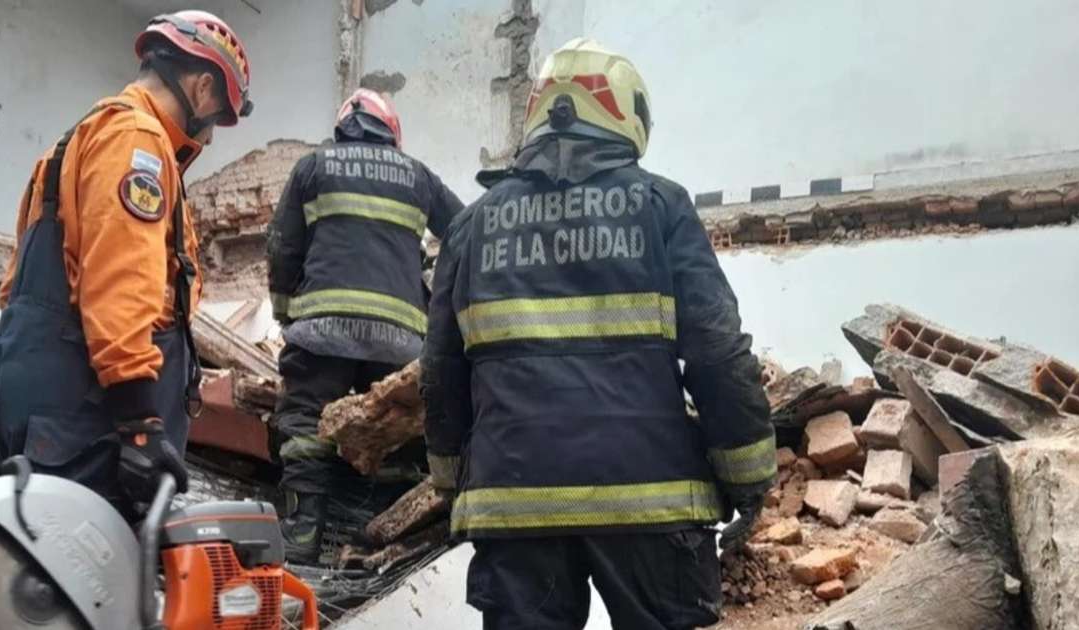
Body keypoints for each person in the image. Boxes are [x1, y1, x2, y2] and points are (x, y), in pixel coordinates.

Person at [421, 38, 776, 629]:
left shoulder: (471, 226)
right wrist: (750, 478)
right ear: (627, 115)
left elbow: (440, 372)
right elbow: (717, 353)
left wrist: (449, 478)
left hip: (514, 507)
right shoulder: (662, 207)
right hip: (653, 502)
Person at [0, 10, 252, 519]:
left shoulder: (75, 142)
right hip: (89, 414)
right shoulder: (138, 142)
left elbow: (14, 285)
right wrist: (138, 419)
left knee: (28, 546)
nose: (211, 137)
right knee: (85, 556)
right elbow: (122, 281)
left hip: (41, 398)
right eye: (219, 116)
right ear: (202, 89)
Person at [266, 88, 464, 563]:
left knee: (305, 420)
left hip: (322, 332)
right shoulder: (418, 175)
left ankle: (302, 532)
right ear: (392, 133)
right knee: (398, 428)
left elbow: (283, 246)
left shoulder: (313, 167)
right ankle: (378, 536)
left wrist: (286, 311)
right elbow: (465, 232)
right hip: (400, 341)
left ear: (343, 128)